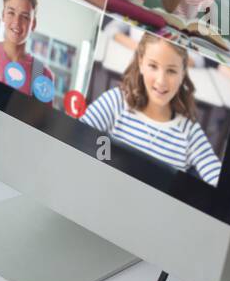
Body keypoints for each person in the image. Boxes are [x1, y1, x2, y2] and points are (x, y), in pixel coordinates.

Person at [80, 33, 222, 183]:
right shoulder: (115, 103)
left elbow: (217, 178)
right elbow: (78, 136)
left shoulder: (190, 133)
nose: (161, 81)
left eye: (171, 71)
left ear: (183, 73)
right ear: (141, 63)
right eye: (153, 66)